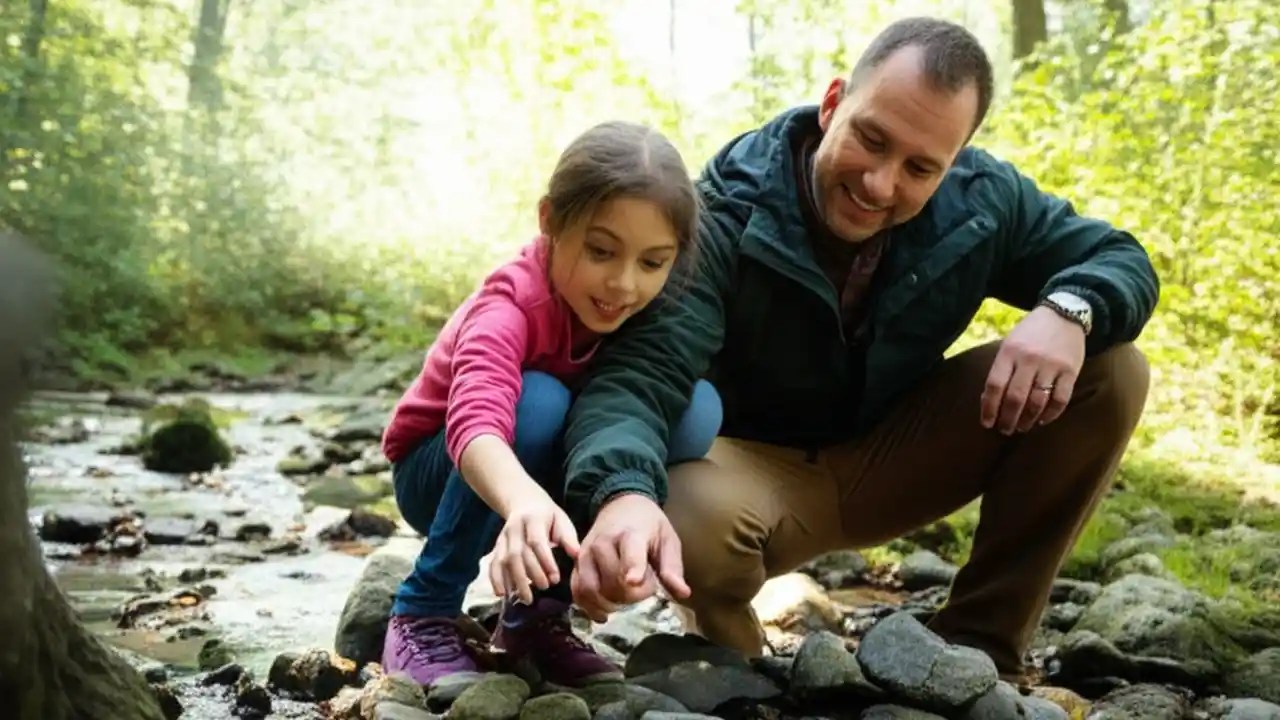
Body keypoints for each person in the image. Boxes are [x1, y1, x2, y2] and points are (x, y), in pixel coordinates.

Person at [558, 17, 1158, 682]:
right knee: (678, 517)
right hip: (753, 474)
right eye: (871, 140)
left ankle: (978, 650)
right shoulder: (726, 211)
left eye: (920, 167)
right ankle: (738, 661)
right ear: (834, 101)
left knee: (1111, 370)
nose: (879, 183)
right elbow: (641, 375)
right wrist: (620, 493)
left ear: (953, 164)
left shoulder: (983, 201)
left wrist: (1067, 309)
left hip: (894, 453)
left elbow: (1118, 255)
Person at [378, 120, 723, 688]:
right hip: (444, 470)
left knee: (695, 410)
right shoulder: (511, 302)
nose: (623, 284)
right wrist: (521, 500)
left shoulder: (641, 313)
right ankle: (423, 609)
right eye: (600, 250)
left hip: (533, 475)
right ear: (550, 222)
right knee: (537, 401)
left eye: (652, 262)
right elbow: (477, 417)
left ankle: (536, 617)